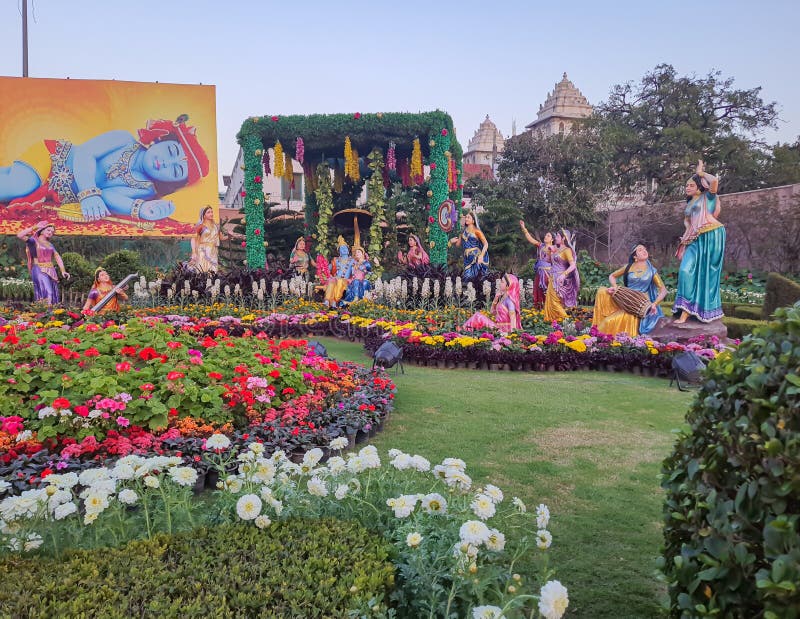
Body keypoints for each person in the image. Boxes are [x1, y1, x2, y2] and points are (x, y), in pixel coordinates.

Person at [0, 115, 209, 222]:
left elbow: (110, 195)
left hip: (57, 194)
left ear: (172, 182)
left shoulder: (146, 188)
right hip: (53, 160)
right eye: (171, 151)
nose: (165, 163)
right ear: (162, 139)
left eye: (175, 171)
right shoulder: (124, 139)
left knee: (10, 179)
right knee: (18, 185)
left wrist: (139, 210)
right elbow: (84, 153)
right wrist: (89, 193)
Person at [673, 160, 725, 323]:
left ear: (699, 186)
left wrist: (701, 173)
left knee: (704, 273)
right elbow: (689, 223)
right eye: (686, 186)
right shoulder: (689, 204)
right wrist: (684, 240)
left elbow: (715, 181)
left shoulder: (707, 197)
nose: (687, 188)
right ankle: (686, 309)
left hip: (711, 235)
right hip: (694, 239)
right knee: (685, 271)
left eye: (690, 185)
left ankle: (690, 312)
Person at [592, 243, 667, 336]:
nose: (644, 251)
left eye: (644, 249)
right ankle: (597, 331)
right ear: (635, 256)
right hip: (627, 299)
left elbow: (663, 290)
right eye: (640, 250)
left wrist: (654, 304)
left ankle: (610, 337)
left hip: (640, 304)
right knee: (602, 291)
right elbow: (612, 276)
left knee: (609, 322)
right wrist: (615, 286)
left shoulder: (652, 271)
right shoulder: (628, 267)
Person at [16, 221, 69, 304]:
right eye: (48, 230)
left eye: (52, 232)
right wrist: (34, 227)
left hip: (51, 270)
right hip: (39, 269)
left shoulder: (50, 245)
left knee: (53, 292)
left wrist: (63, 270)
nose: (50, 232)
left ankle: (51, 314)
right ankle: (46, 314)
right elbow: (20, 235)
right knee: (48, 292)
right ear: (42, 230)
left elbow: (57, 256)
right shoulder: (33, 241)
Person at [543, 229, 580, 323]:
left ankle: (567, 322)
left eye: (558, 236)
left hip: (560, 278)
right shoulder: (555, 248)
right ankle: (554, 322)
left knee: (555, 302)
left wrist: (564, 274)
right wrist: (549, 251)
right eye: (556, 236)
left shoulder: (566, 250)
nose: (556, 238)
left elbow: (573, 265)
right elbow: (548, 261)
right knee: (550, 300)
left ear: (563, 238)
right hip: (552, 277)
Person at [520, 220, 554, 309]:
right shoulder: (541, 246)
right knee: (537, 291)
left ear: (552, 239)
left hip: (548, 274)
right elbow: (530, 239)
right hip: (539, 273)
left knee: (547, 292)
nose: (546, 237)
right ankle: (539, 310)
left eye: (548, 236)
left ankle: (549, 310)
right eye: (546, 235)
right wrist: (524, 228)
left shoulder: (553, 249)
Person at [448, 211, 489, 281]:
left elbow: (486, 244)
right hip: (467, 258)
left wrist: (481, 255)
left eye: (468, 217)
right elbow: (458, 245)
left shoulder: (477, 231)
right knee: (467, 277)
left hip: (476, 257)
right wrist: (451, 241)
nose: (466, 219)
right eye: (466, 217)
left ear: (473, 220)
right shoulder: (463, 231)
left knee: (474, 278)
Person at [188, 206, 221, 273]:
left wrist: (232, 235)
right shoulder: (200, 226)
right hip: (202, 251)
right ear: (204, 215)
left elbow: (221, 238)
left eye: (212, 212)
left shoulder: (215, 226)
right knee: (202, 271)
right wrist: (194, 252)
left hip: (213, 252)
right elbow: (193, 239)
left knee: (213, 272)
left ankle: (212, 283)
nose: (211, 214)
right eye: (208, 212)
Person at [324, 236, 354, 307]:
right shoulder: (335, 260)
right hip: (335, 278)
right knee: (331, 281)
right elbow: (327, 270)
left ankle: (335, 301)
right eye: (342, 248)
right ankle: (327, 300)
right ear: (339, 252)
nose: (344, 250)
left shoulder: (352, 260)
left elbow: (356, 271)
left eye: (345, 248)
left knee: (340, 281)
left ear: (348, 250)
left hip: (346, 280)